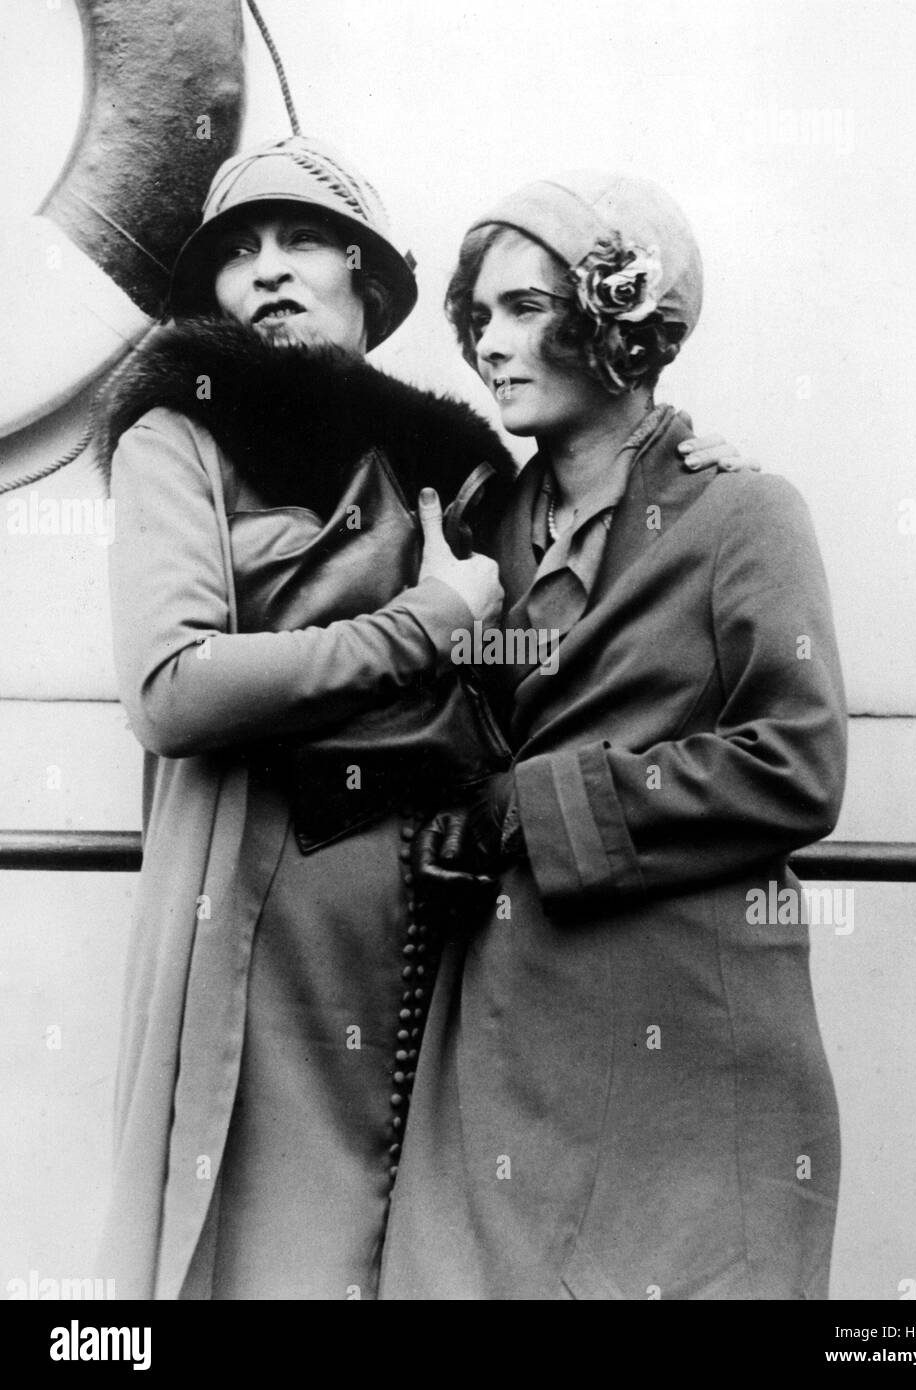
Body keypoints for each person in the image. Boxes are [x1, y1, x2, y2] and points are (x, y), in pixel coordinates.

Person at [96, 139, 744, 1300]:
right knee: (252, 1247)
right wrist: (428, 615)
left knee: (408, 1247)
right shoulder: (175, 438)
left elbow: (573, 578)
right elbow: (175, 689)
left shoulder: (451, 461)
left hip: (432, 917)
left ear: (370, 283)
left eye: (306, 241)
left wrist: (685, 463)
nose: (272, 271)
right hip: (249, 909)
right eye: (238, 255)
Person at [379, 173, 848, 1300]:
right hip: (499, 1024)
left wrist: (535, 806)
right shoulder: (477, 526)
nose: (488, 344)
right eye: (478, 314)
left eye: (526, 309)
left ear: (616, 325)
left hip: (685, 1042)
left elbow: (798, 765)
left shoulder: (742, 511)